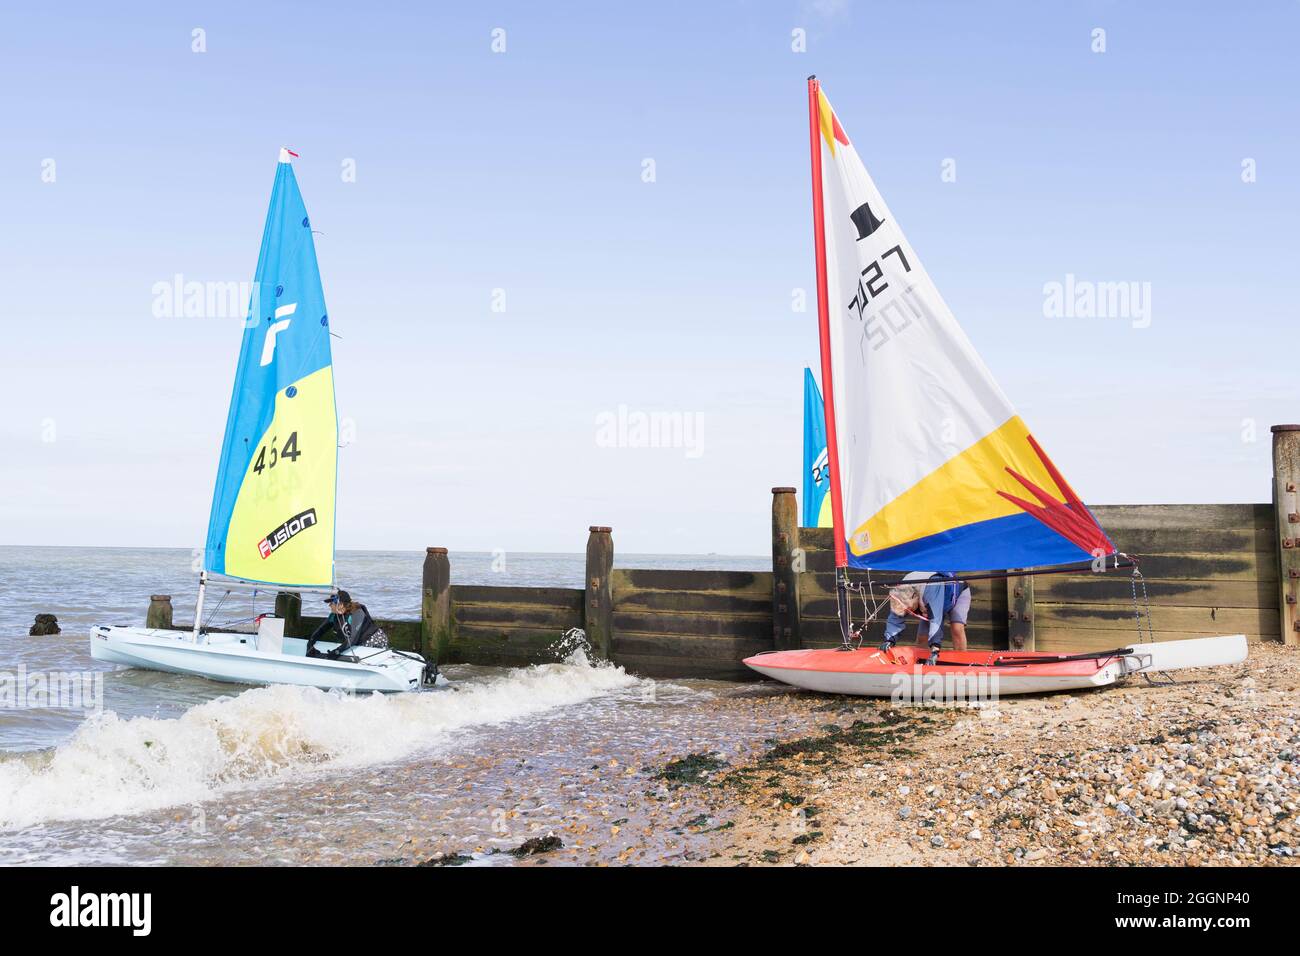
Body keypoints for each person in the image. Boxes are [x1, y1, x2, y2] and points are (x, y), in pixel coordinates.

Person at [878, 571, 970, 665]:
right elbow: (896, 616)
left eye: (909, 610)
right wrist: (889, 640)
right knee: (922, 637)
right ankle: (921, 664)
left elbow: (936, 619)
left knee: (957, 628)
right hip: (927, 599)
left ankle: (961, 663)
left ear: (914, 598)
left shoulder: (931, 590)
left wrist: (935, 650)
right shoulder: (900, 593)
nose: (908, 612)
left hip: (957, 594)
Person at [306, 590, 389, 659]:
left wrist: (336, 652)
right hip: (357, 642)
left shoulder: (357, 613)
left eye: (331, 603)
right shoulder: (334, 616)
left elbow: (353, 639)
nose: (329, 605)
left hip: (373, 640)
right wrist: (310, 643)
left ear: (340, 604)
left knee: (342, 652)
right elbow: (321, 630)